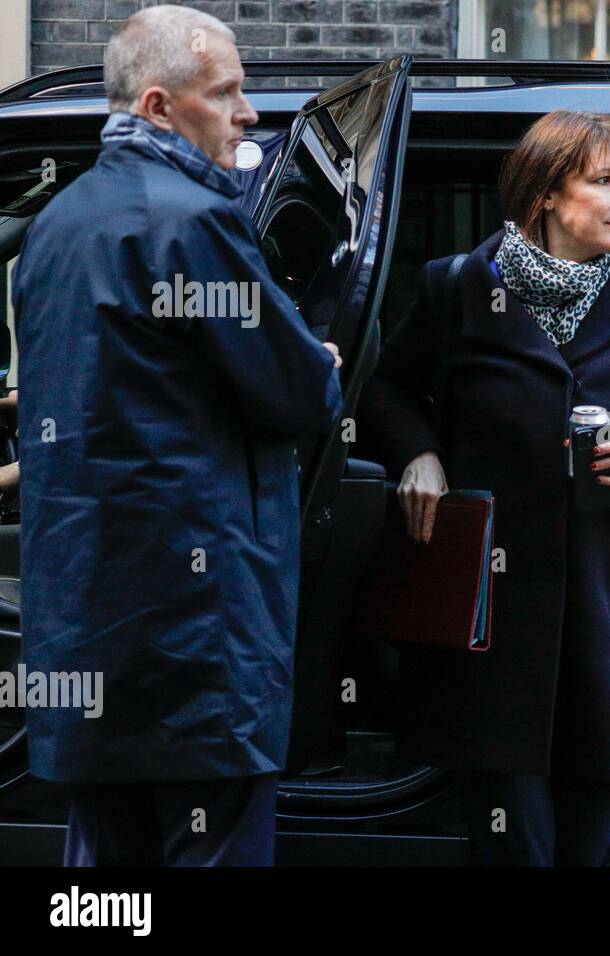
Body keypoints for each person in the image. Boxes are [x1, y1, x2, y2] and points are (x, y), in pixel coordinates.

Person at [10, 5, 344, 866]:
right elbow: (297, 394)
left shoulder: (56, 225)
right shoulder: (195, 220)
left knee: (106, 873)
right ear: (160, 106)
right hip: (198, 636)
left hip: (88, 627)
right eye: (227, 92)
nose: (250, 113)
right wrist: (318, 360)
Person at [359, 109, 610, 866]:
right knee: (510, 834)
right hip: (492, 612)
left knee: (593, 832)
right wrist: (420, 455)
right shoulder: (457, 287)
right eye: (604, 181)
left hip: (600, 604)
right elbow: (386, 391)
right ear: (546, 196)